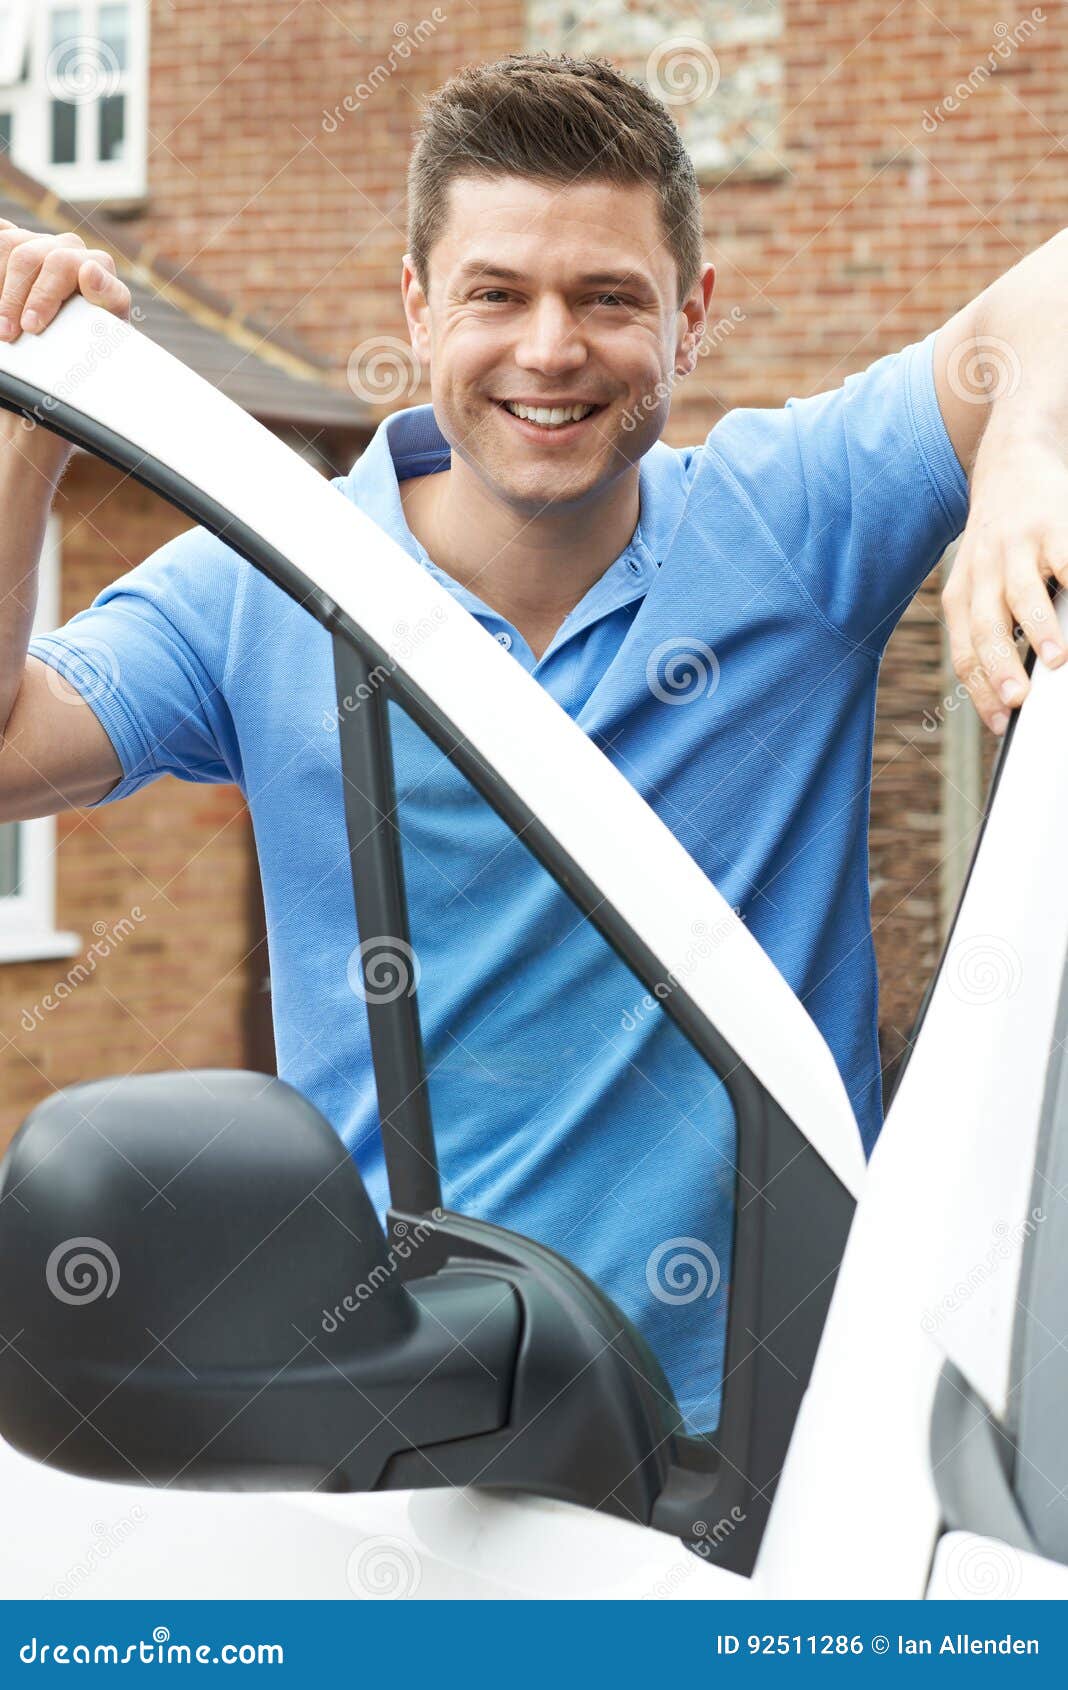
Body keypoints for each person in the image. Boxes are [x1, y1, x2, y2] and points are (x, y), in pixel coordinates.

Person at [1, 52, 1066, 1433]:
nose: (550, 349)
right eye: (496, 293)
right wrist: (29, 432)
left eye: (608, 297)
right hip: (409, 1429)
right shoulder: (266, 578)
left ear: (692, 319)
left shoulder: (789, 526)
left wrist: (1023, 463)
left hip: (783, 1459)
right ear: (416, 306)